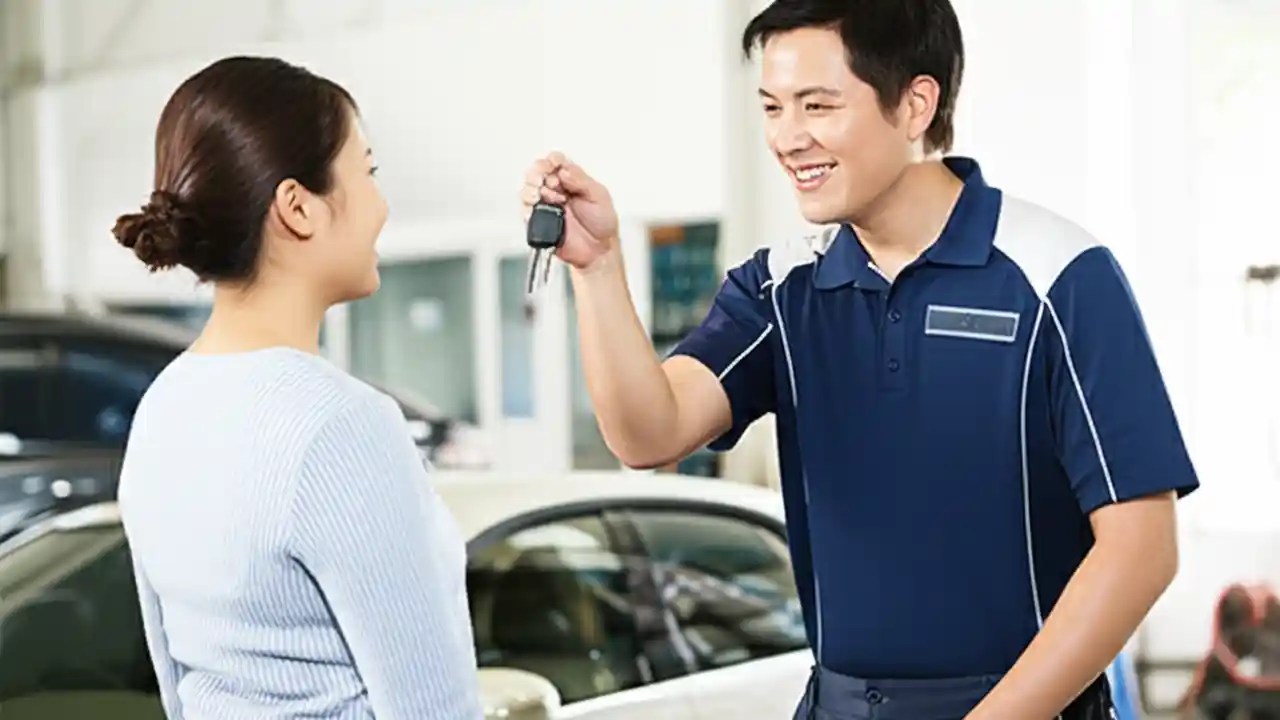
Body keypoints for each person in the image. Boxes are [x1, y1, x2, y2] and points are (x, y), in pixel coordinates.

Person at [518, 1, 1199, 718]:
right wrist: (597, 269)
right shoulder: (781, 285)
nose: (788, 138)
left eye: (818, 105)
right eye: (773, 107)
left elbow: (1141, 550)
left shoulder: (1057, 274)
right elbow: (648, 432)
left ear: (915, 104)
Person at [114, 56, 481, 719]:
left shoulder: (163, 407)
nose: (381, 205)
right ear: (298, 207)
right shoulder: (341, 424)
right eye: (366, 173)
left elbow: (176, 684)